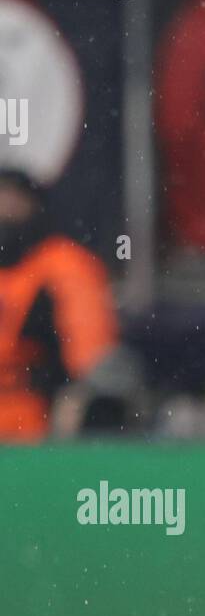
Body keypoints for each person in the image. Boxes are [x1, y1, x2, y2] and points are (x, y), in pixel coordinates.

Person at [0, 168, 119, 441]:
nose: (6, 209)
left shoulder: (63, 264)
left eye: (14, 198)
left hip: (35, 424)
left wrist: (74, 397)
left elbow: (91, 359)